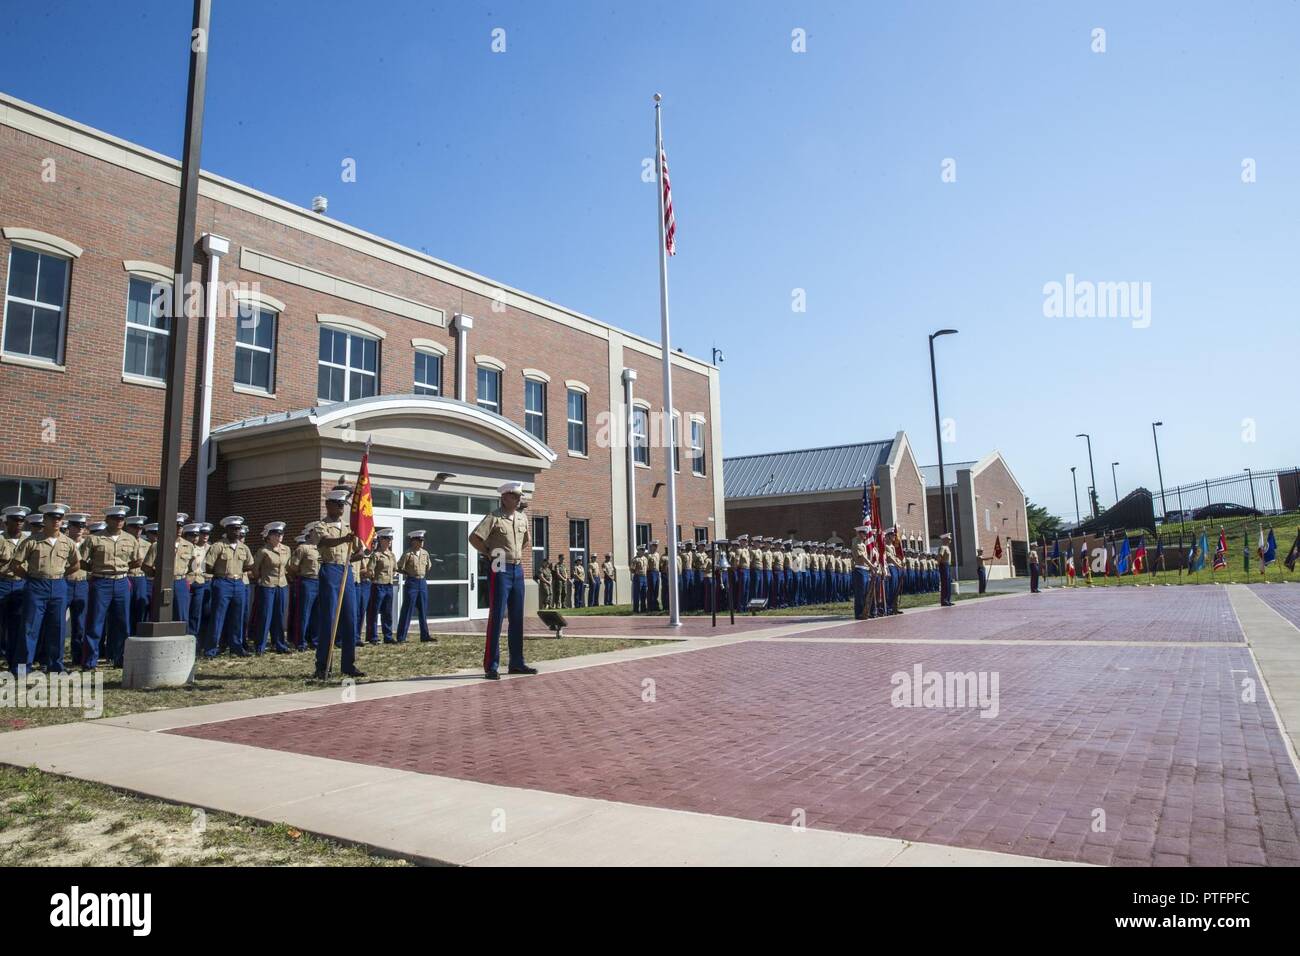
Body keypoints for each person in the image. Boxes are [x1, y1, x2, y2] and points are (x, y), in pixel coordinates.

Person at [470, 481, 534, 679]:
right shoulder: (493, 517)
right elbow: (474, 538)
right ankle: (492, 665)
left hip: (517, 567)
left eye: (519, 496)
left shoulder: (522, 517)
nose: (518, 499)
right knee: (497, 616)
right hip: (499, 567)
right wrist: (489, 553)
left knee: (517, 617)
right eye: (514, 496)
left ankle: (517, 662)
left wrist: (513, 555)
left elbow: (526, 541)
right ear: (504, 497)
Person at [8, 503, 77, 673]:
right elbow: (15, 564)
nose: (56, 521)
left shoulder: (67, 542)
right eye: (52, 518)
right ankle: (23, 667)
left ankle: (55, 665)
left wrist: (61, 574)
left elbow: (76, 564)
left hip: (59, 585)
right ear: (44, 519)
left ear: (62, 521)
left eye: (59, 518)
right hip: (36, 584)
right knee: (30, 627)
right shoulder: (31, 541)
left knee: (58, 627)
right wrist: (30, 578)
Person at [310, 489, 366, 679]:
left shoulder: (349, 527)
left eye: (343, 504)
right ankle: (323, 665)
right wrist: (344, 539)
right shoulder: (321, 526)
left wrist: (360, 554)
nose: (341, 507)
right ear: (328, 505)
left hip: (346, 570)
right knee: (329, 620)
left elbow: (359, 550)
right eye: (338, 504)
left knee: (350, 618)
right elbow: (324, 542)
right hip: (330, 570)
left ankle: (348, 664)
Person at [82, 505, 137, 668]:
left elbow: (136, 560)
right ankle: (90, 661)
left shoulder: (130, 539)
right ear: (107, 520)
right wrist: (98, 570)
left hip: (121, 581)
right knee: (95, 622)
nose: (119, 521)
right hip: (101, 581)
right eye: (115, 518)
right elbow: (82, 561)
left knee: (122, 623)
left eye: (121, 519)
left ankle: (120, 658)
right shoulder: (94, 539)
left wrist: (122, 569)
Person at [202, 516, 254, 658]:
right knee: (218, 616)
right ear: (227, 530)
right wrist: (221, 574)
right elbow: (208, 566)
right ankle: (211, 649)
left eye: (239, 529)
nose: (237, 532)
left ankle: (236, 647)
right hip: (222, 582)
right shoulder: (218, 546)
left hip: (238, 582)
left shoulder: (244, 547)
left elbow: (249, 565)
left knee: (238, 617)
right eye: (234, 529)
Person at [251, 521, 292, 654]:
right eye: (276, 534)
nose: (279, 537)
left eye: (281, 534)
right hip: (267, 585)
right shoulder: (264, 551)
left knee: (279, 616)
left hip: (282, 585)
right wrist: (260, 579)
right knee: (265, 615)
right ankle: (260, 646)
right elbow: (255, 569)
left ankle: (279, 644)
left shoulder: (286, 549)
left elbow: (287, 567)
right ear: (269, 536)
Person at [0, 506, 29, 671]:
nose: (18, 523)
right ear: (6, 522)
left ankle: (13, 662)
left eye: (21, 521)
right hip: (2, 582)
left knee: (16, 625)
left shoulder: (29, 541)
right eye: (14, 520)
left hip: (20, 584)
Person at [63, 513, 90, 665]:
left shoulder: (88, 544)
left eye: (82, 526)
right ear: (69, 527)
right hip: (66, 582)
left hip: (82, 584)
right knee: (58, 622)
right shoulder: (64, 542)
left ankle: (77, 656)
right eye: (76, 526)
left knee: (79, 624)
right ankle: (54, 656)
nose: (80, 529)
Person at [396, 529, 432, 642]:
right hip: (412, 582)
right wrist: (408, 573)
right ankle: (401, 637)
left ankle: (425, 635)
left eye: (422, 540)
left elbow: (428, 566)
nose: (422, 542)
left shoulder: (425, 553)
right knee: (407, 610)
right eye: (419, 540)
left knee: (423, 610)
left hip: (422, 581)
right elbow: (399, 567)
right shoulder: (408, 553)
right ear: (413, 541)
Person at [289, 525, 320, 649]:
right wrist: (299, 577)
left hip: (320, 582)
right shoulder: (303, 548)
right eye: (315, 533)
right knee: (304, 613)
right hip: (307, 581)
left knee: (317, 614)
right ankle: (300, 641)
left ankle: (315, 640)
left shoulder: (321, 548)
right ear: (309, 534)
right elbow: (293, 567)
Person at [367, 528, 397, 643]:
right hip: (378, 585)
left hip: (388, 585)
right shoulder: (376, 555)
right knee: (374, 612)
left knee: (387, 612)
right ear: (380, 540)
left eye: (390, 539)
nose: (389, 541)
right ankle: (373, 636)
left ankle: (388, 636)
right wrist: (373, 577)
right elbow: (370, 569)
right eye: (387, 538)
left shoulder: (391, 555)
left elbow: (394, 569)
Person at [938, 532, 955, 607]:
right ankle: (944, 600)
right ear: (944, 540)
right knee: (945, 583)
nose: (950, 540)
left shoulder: (947, 548)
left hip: (948, 565)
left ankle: (948, 599)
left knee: (948, 583)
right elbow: (939, 557)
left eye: (950, 539)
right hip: (943, 565)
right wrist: (938, 565)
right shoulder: (942, 547)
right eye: (948, 539)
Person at [631, 547, 648, 613]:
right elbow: (632, 569)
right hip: (638, 577)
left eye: (644, 550)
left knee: (644, 593)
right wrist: (636, 572)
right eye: (642, 550)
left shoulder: (645, 559)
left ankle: (643, 608)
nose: (643, 551)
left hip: (644, 577)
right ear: (639, 551)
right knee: (637, 594)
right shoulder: (635, 559)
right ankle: (636, 609)